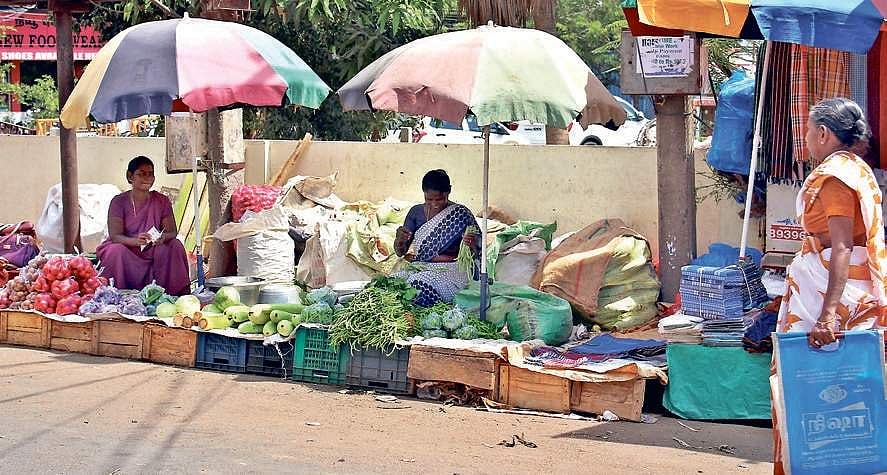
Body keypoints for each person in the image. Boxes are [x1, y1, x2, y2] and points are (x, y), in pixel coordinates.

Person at [773, 98, 887, 474]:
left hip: (835, 297)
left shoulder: (835, 178)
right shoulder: (854, 169)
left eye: (808, 131)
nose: (806, 138)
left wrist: (828, 315)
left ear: (823, 133)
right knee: (849, 395)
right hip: (844, 289)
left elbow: (841, 246)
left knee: (819, 391)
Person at [96, 156, 191, 295]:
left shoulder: (161, 200)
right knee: (115, 251)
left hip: (152, 248)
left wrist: (162, 238)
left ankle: (172, 295)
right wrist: (136, 241)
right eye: (141, 174)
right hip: (128, 247)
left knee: (175, 245)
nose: (147, 178)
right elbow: (115, 236)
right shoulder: (118, 201)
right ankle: (117, 296)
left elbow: (172, 232)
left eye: (150, 174)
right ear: (130, 176)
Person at [394, 169, 479, 307]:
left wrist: (471, 244)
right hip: (420, 266)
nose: (434, 204)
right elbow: (400, 252)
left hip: (452, 270)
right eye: (429, 199)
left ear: (448, 191)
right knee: (393, 282)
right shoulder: (415, 213)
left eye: (439, 199)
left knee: (417, 284)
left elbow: (478, 252)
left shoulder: (460, 214)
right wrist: (399, 241)